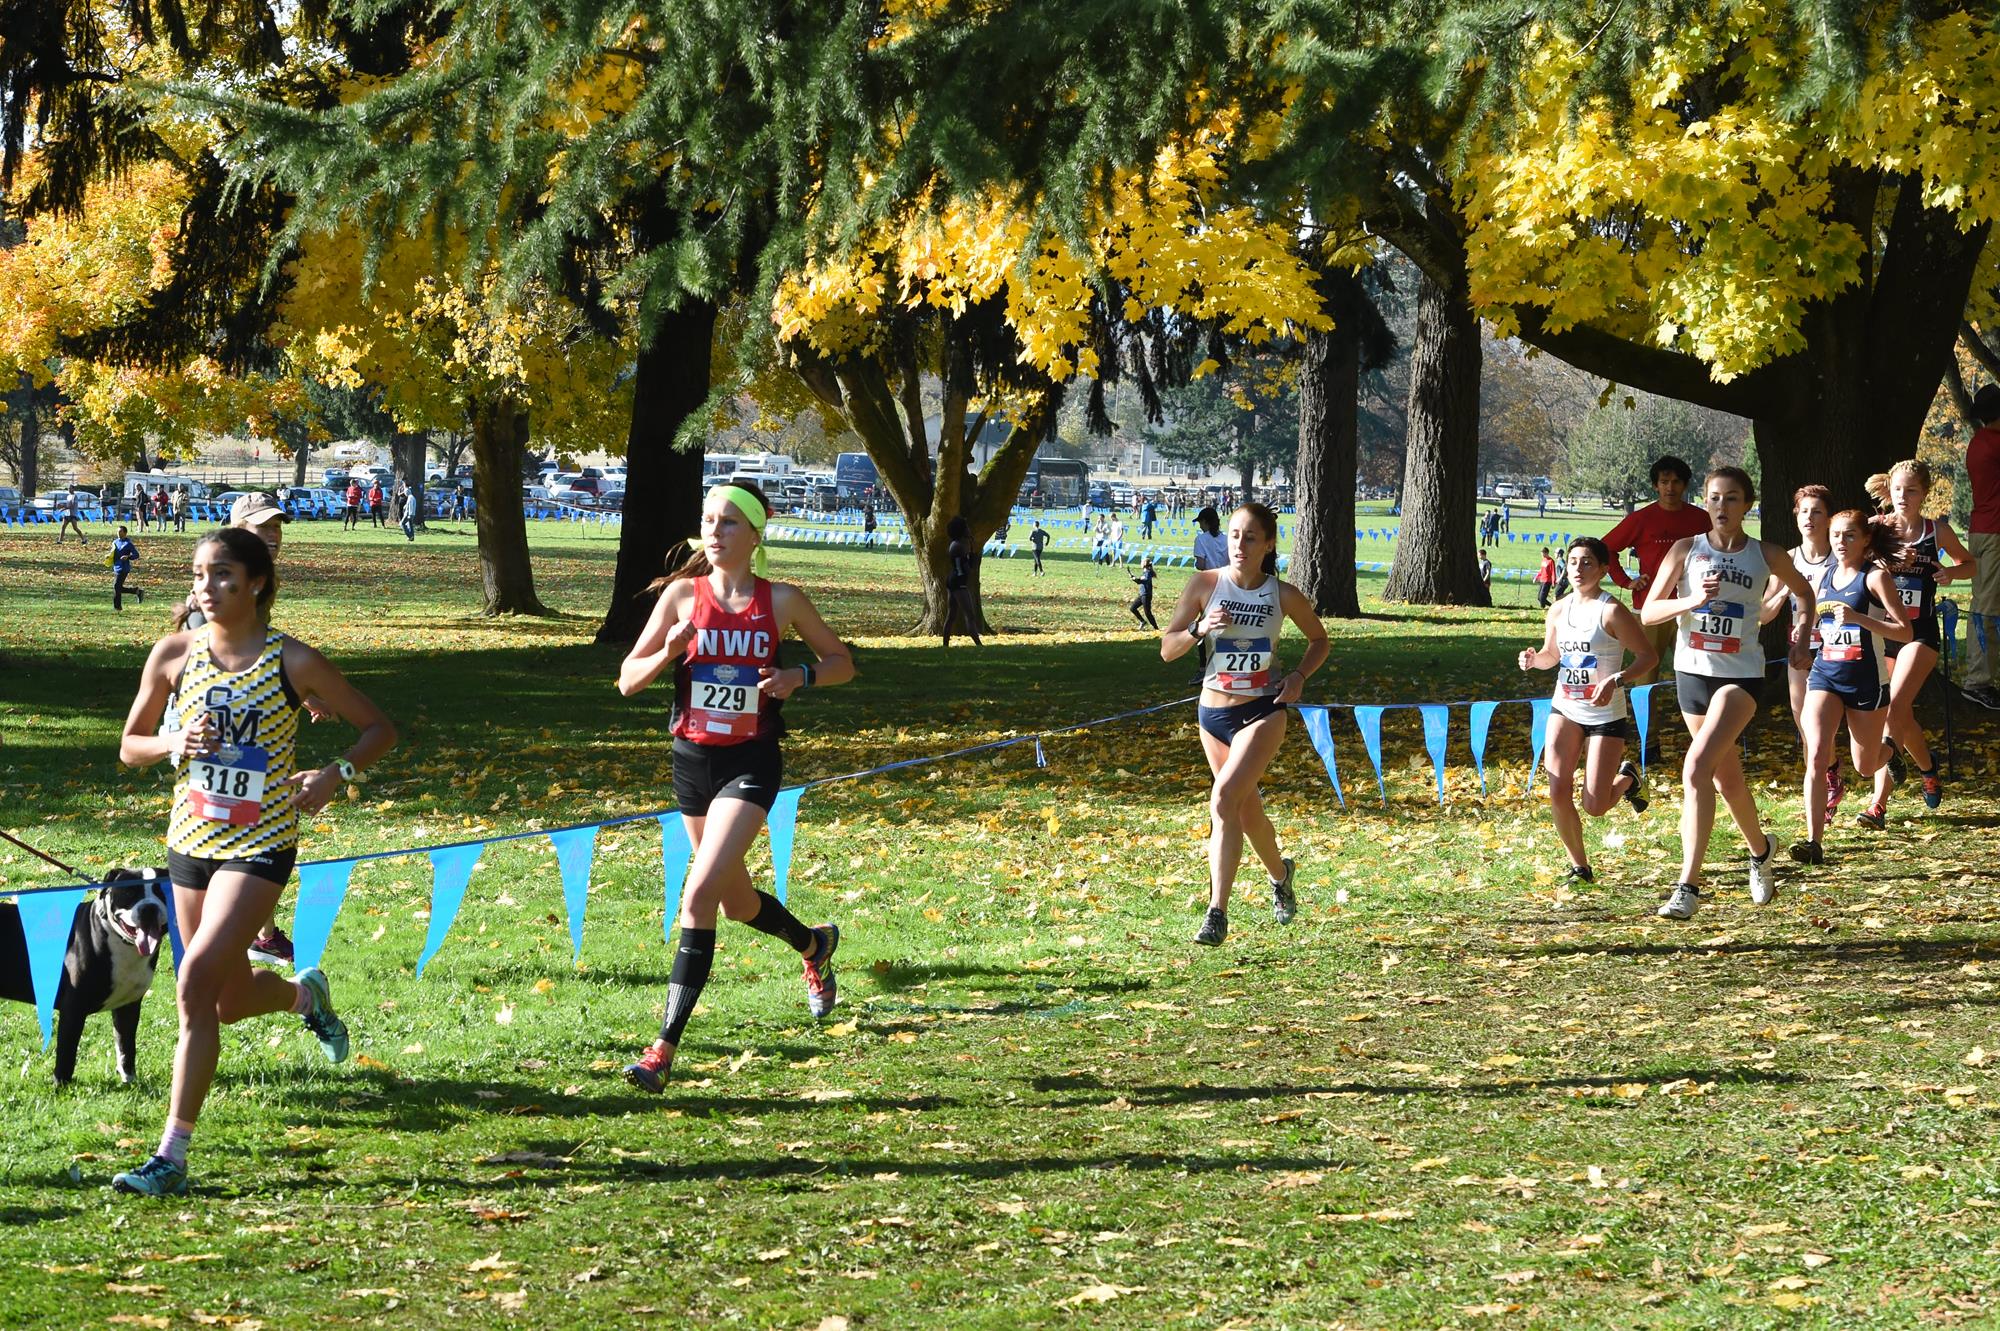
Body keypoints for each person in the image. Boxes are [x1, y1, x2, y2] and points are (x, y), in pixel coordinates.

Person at [111, 527, 396, 1196]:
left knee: (193, 985)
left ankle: (170, 1157)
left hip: (259, 847)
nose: (207, 588)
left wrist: (335, 774)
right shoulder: (174, 655)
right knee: (231, 999)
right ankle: (306, 995)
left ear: (258, 583)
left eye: (223, 576)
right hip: (190, 845)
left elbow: (379, 727)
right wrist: (174, 739)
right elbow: (129, 744)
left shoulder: (291, 662)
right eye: (200, 575)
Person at [616, 481, 855, 1093]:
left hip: (751, 761)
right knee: (732, 900)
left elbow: (842, 662)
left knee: (696, 896)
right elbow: (627, 682)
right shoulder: (679, 597)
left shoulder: (782, 602)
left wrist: (799, 675)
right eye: (708, 521)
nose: (714, 533)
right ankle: (813, 944)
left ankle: (662, 1049)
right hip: (692, 761)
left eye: (727, 523)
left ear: (754, 534)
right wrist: (668, 651)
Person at [1642, 466, 1814, 920]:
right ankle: (1761, 852)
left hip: (1741, 676)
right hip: (1692, 674)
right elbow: (1649, 612)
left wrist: (1801, 636)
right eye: (1715, 498)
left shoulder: (1767, 555)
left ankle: (1688, 886)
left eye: (1732, 499)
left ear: (1747, 505)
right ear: (1706, 501)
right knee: (1724, 777)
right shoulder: (1686, 550)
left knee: (1696, 768)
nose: (1722, 507)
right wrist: (1691, 601)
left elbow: (1805, 593)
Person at [1161, 502, 1329, 946]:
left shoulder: (1284, 594)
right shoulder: (1204, 585)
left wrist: (1297, 676)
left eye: (1250, 536)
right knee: (1245, 809)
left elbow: (1320, 640)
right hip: (1212, 715)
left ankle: (1216, 912)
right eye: (1234, 534)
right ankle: (1280, 874)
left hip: (1262, 710)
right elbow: (1167, 649)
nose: (1239, 544)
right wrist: (1199, 629)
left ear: (1268, 544)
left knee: (1223, 799)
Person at [1518, 537, 1656, 882]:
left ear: (1604, 570)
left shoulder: (1611, 611)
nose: (1578, 569)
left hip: (1605, 714)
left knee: (1594, 805)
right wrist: (1534, 660)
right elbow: (1553, 655)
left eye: (1587, 563)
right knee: (1557, 787)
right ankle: (1580, 866)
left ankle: (1629, 779)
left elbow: (1648, 657)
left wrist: (1617, 680)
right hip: (1565, 707)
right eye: (1573, 562)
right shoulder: (1558, 608)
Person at [1859, 460, 1976, 825]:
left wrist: (1950, 573)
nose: (1903, 497)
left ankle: (1878, 805)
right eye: (1898, 490)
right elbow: (1854, 564)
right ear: (1889, 491)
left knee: (1892, 707)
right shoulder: (1877, 528)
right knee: (1896, 710)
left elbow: (1970, 564)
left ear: (1924, 493)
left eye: (1911, 491)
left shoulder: (1936, 531)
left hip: (1920, 632)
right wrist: (1888, 560)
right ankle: (1927, 765)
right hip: (1884, 631)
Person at [1790, 509, 1910, 864]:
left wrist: (1860, 619)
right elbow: (1814, 619)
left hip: (1866, 681)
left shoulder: (1875, 579)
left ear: (1866, 539)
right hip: (1825, 675)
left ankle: (1890, 753)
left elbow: (1905, 631)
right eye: (1836, 535)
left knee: (1864, 765)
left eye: (1849, 536)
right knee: (1816, 753)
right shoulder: (1825, 576)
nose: (1840, 543)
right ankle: (1813, 842)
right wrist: (1803, 634)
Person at [1603, 456, 1714, 686]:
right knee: (1644, 674)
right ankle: (1643, 722)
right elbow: (1605, 549)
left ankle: (1703, 718)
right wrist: (1626, 581)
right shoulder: (1641, 518)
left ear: (1685, 485)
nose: (1670, 488)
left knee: (1702, 669)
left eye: (1676, 482)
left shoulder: (1702, 519)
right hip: (1650, 607)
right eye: (1664, 482)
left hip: (1695, 605)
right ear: (1655, 485)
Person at [1762, 485, 1835, 805]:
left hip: (1837, 648)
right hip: (1799, 651)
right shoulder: (1787, 559)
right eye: (1804, 511)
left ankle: (1827, 776)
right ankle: (1825, 778)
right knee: (1804, 721)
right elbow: (1763, 616)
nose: (1810, 518)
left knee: (1823, 726)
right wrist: (1783, 593)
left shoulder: (1842, 553)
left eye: (1817, 511)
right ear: (1796, 516)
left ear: (1829, 517)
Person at [1960, 383, 2000, 710]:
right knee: (1986, 608)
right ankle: (1977, 682)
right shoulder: (1995, 446)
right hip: (1994, 534)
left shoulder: (1979, 442)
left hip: (1983, 531)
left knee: (1985, 604)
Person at [943, 515, 983, 647]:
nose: (968, 529)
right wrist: (973, 556)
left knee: (951, 615)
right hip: (959, 582)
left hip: (953, 579)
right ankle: (978, 644)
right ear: (961, 530)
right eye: (966, 527)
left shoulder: (957, 544)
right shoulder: (959, 546)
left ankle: (945, 645)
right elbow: (968, 569)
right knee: (970, 615)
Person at [110, 526, 143, 610]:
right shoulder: (115, 542)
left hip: (124, 568)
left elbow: (136, 555)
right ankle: (136, 591)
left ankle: (117, 607)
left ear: (125, 533)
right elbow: (112, 552)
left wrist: (128, 556)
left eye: (120, 531)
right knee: (118, 587)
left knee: (116, 586)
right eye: (117, 531)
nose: (118, 533)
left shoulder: (128, 544)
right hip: (116, 566)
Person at [1128, 556, 1159, 629]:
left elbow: (1144, 580)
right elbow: (1140, 581)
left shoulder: (1148, 573)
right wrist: (1134, 578)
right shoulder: (1145, 572)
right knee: (1133, 608)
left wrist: (1135, 579)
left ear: (1144, 564)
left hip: (1146, 595)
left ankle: (1156, 628)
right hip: (1142, 595)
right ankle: (1142, 621)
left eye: (1141, 562)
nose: (1140, 563)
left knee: (1147, 613)